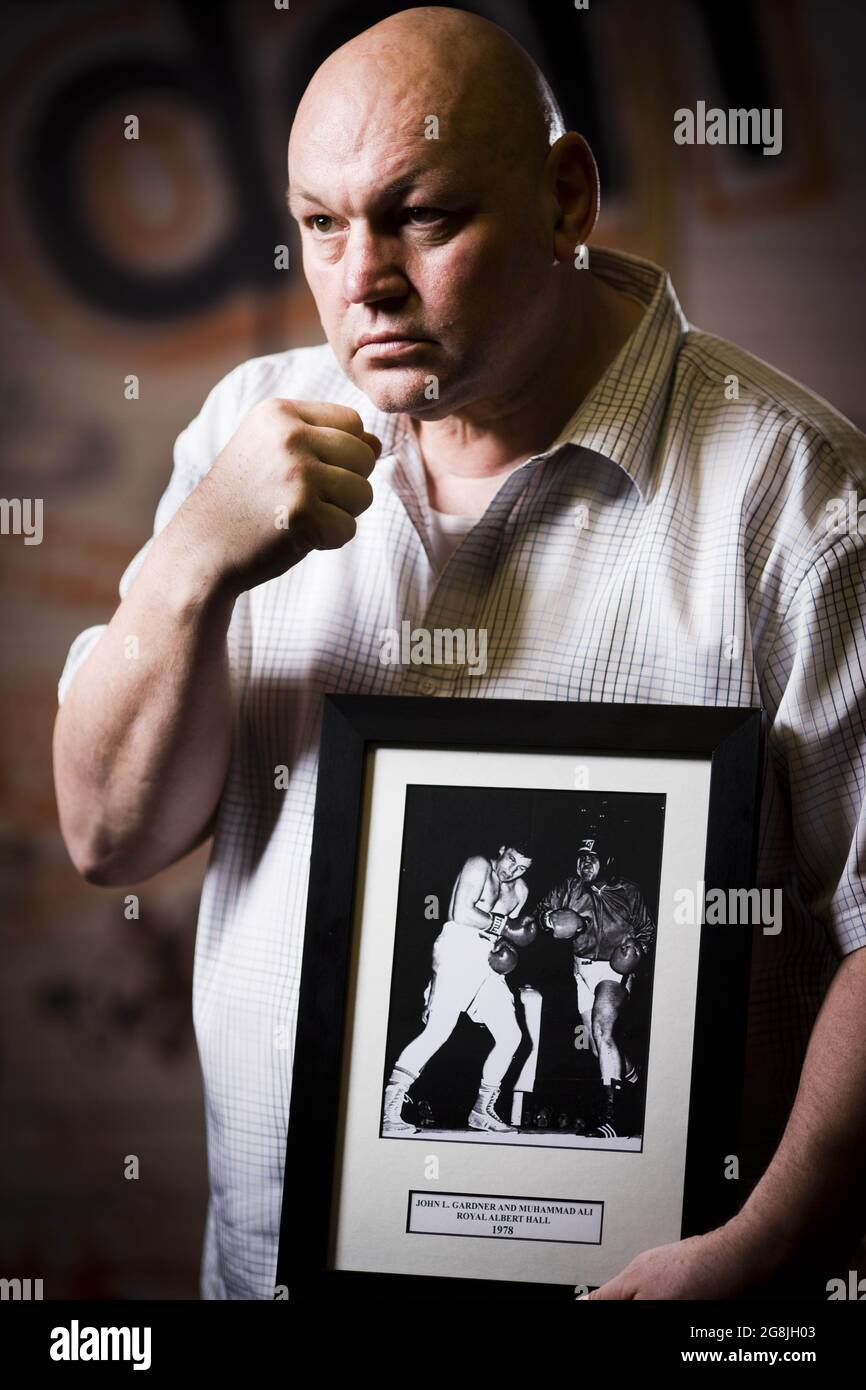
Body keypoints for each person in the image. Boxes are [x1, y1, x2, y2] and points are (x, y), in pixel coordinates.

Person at [52, 6, 866, 1300]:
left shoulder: (796, 497)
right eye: (320, 223)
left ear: (562, 196)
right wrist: (190, 564)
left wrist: (759, 1252)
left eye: (419, 217)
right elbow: (108, 835)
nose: (359, 277)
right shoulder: (239, 433)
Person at [383, 842, 531, 1136]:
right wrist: (505, 928)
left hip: (489, 959)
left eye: (522, 867)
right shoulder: (478, 864)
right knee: (438, 1031)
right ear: (502, 849)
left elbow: (508, 936)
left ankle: (481, 1111)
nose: (512, 870)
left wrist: (510, 948)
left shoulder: (522, 891)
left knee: (511, 1036)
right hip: (459, 947)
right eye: (511, 859)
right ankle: (389, 1111)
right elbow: (460, 913)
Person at [539, 840, 656, 1138]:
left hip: (614, 971)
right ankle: (633, 1078)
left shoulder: (629, 891)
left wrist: (636, 948)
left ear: (609, 860)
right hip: (581, 969)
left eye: (592, 858)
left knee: (603, 1031)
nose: (585, 864)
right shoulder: (567, 888)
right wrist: (550, 919)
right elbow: (540, 914)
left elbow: (647, 930)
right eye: (580, 858)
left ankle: (613, 1117)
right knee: (597, 1044)